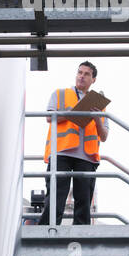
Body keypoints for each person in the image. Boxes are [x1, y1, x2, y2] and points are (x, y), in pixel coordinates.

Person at [38, 61, 108, 225]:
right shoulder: (60, 94)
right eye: (79, 72)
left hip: (86, 157)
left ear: (93, 80)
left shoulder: (99, 104)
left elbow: (104, 136)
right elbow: (49, 117)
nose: (81, 76)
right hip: (61, 152)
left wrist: (97, 120)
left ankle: (81, 234)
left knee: (84, 201)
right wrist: (72, 113)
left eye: (86, 74)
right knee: (56, 197)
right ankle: (47, 230)